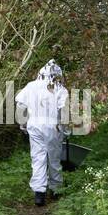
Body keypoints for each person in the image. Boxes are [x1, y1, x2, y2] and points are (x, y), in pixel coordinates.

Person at [15, 60, 69, 206]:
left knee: (38, 158)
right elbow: (63, 111)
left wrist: (22, 123)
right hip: (53, 127)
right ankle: (55, 189)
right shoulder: (60, 89)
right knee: (54, 158)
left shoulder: (31, 86)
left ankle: (39, 194)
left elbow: (20, 104)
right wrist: (65, 129)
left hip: (34, 125)